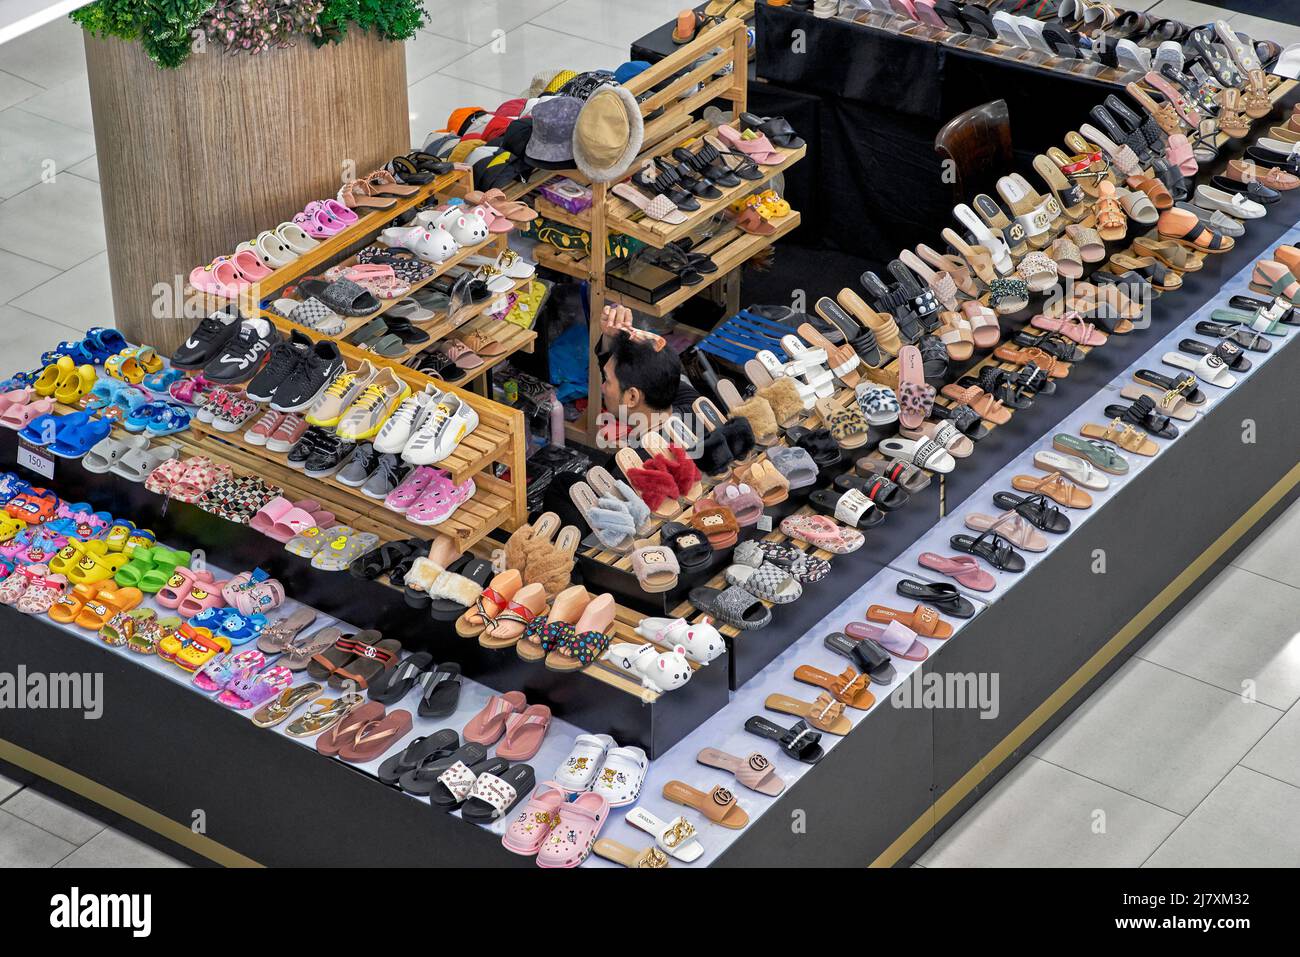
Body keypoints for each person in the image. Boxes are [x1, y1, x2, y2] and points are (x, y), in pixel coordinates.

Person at [597, 305, 699, 444]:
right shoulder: (693, 408)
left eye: (607, 381)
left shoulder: (636, 462)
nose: (602, 387)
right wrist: (611, 336)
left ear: (632, 397)